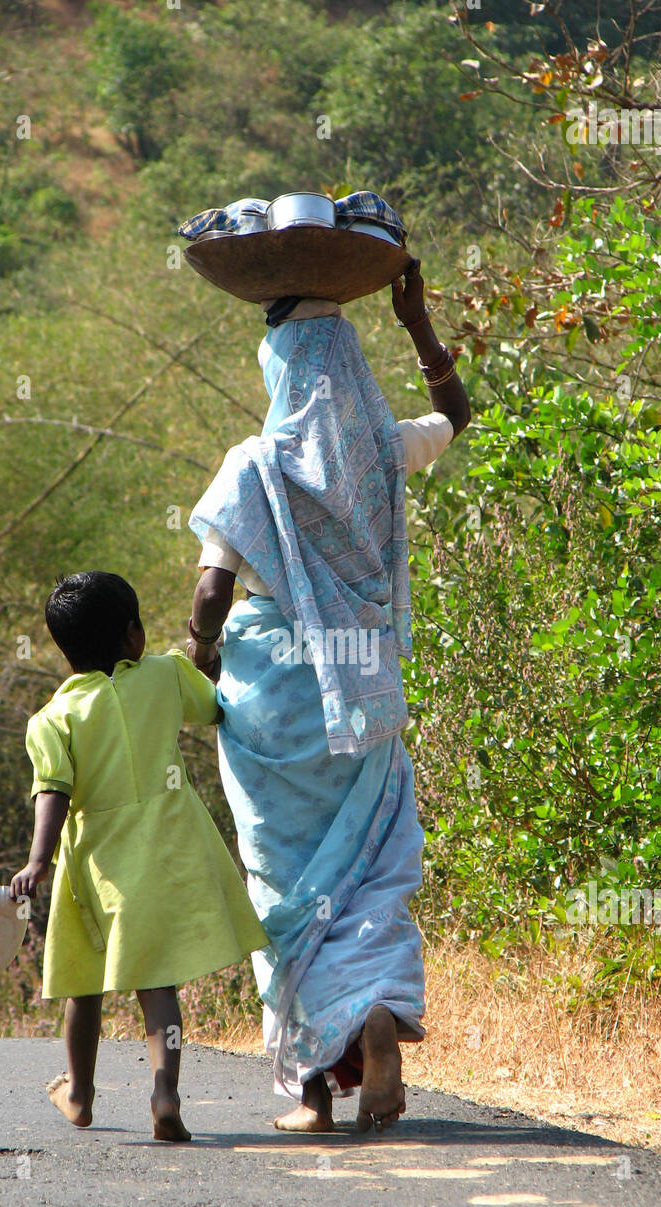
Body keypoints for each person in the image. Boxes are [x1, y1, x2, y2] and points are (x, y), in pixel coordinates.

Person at [186, 259, 470, 1132]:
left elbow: (209, 596)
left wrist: (197, 663)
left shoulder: (252, 463)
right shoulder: (386, 444)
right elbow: (459, 416)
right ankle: (375, 1008)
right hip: (363, 687)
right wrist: (418, 324)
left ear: (278, 368)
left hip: (272, 694)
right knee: (368, 869)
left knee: (283, 880)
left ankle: (312, 1091)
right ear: (346, 364)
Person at [10, 571, 267, 1142]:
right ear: (133, 636)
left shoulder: (53, 719)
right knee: (158, 986)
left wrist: (38, 861)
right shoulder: (163, 676)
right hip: (168, 852)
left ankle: (78, 1092)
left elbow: (51, 790)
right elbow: (214, 708)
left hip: (96, 867)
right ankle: (164, 1092)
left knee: (82, 983)